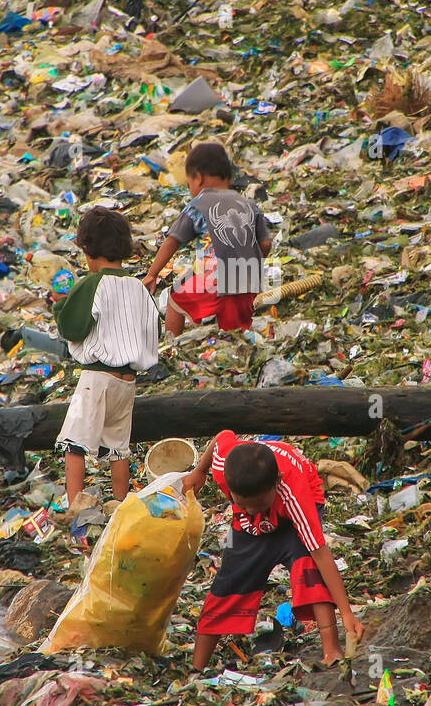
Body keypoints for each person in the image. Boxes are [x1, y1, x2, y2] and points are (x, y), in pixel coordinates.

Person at [182, 430, 364, 669]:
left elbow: (320, 553)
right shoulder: (223, 467)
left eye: (258, 505)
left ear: (276, 483)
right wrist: (199, 472)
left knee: (308, 570)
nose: (251, 510)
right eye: (241, 503)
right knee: (227, 584)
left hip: (292, 517)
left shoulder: (293, 494)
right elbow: (223, 436)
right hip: (249, 529)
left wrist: (347, 613)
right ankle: (197, 668)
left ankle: (332, 651)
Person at [53, 207, 161, 505]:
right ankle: (121, 503)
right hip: (127, 381)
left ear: (87, 249)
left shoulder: (92, 284)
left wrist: (60, 305)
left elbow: (73, 328)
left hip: (97, 379)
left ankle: (75, 502)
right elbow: (154, 330)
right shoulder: (137, 287)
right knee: (117, 446)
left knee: (75, 443)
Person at [142, 142, 272, 336]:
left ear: (199, 178)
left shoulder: (199, 204)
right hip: (248, 281)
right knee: (233, 333)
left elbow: (173, 240)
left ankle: (172, 348)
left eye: (189, 183)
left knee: (175, 300)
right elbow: (266, 243)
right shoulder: (248, 204)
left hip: (215, 280)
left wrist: (152, 274)